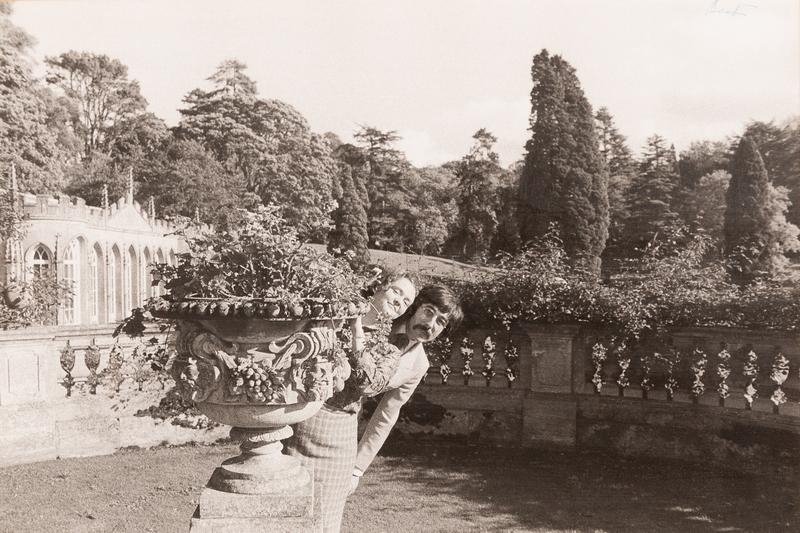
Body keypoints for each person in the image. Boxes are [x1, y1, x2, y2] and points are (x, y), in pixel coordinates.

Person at [284, 268, 418, 533]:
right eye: (397, 291)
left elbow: (370, 384)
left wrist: (357, 331)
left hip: (336, 438)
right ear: (380, 286)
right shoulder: (332, 318)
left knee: (323, 521)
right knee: (285, 513)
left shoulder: (392, 346)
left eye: (406, 302)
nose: (399, 302)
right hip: (297, 422)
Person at [349, 285, 463, 494]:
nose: (430, 324)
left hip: (345, 423)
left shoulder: (419, 365)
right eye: (428, 311)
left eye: (440, 322)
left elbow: (386, 415)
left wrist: (357, 469)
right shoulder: (381, 321)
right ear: (415, 307)